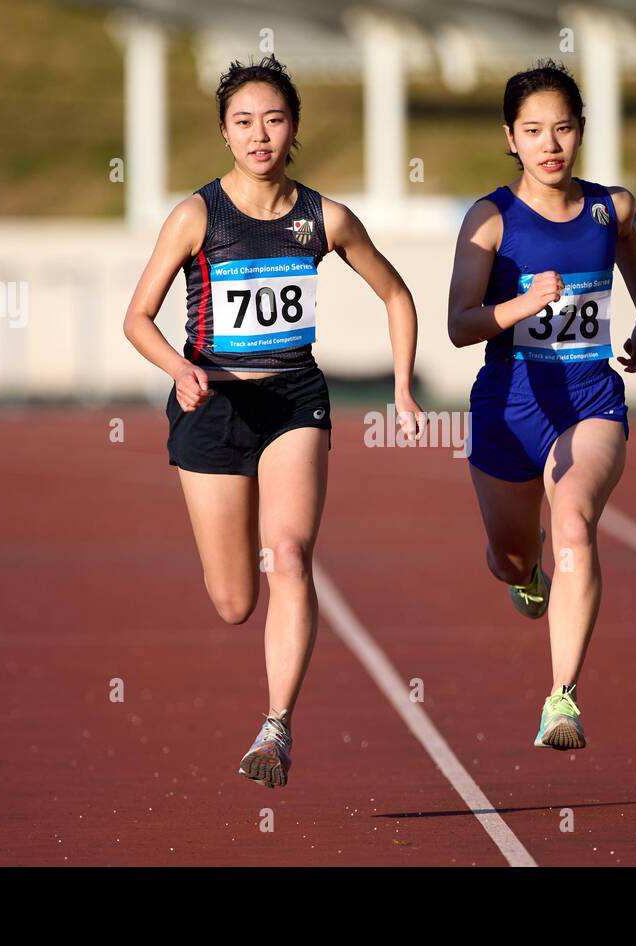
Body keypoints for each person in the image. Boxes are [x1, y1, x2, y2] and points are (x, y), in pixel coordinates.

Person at [124, 55, 424, 787]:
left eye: (274, 120)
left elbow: (397, 294)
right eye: (243, 122)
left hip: (295, 401)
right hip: (214, 407)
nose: (260, 135)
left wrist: (405, 389)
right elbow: (136, 318)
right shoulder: (196, 216)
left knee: (288, 554)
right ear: (224, 134)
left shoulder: (324, 218)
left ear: (293, 130)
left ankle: (276, 727)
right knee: (234, 601)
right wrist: (180, 367)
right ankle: (261, 673)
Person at [446, 60, 636, 750]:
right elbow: (458, 325)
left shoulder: (609, 205)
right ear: (511, 137)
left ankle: (562, 698)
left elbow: (625, 238)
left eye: (562, 128)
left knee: (573, 525)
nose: (550, 143)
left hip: (589, 401)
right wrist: (522, 304)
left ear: (581, 131)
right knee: (509, 558)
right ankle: (524, 571)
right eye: (534, 130)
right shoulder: (492, 219)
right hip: (510, 403)